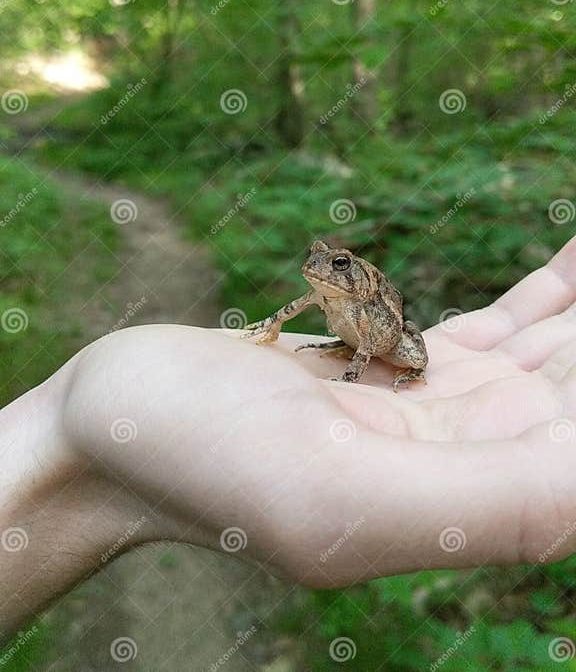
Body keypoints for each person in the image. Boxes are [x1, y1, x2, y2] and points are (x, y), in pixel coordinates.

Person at [1, 235, 576, 643]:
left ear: (357, 273)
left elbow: (384, 330)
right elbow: (302, 302)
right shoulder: (326, 293)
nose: (323, 270)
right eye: (322, 261)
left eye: (339, 264)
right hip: (355, 329)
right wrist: (271, 327)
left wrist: (363, 369)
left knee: (409, 350)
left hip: (382, 329)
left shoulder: (365, 296)